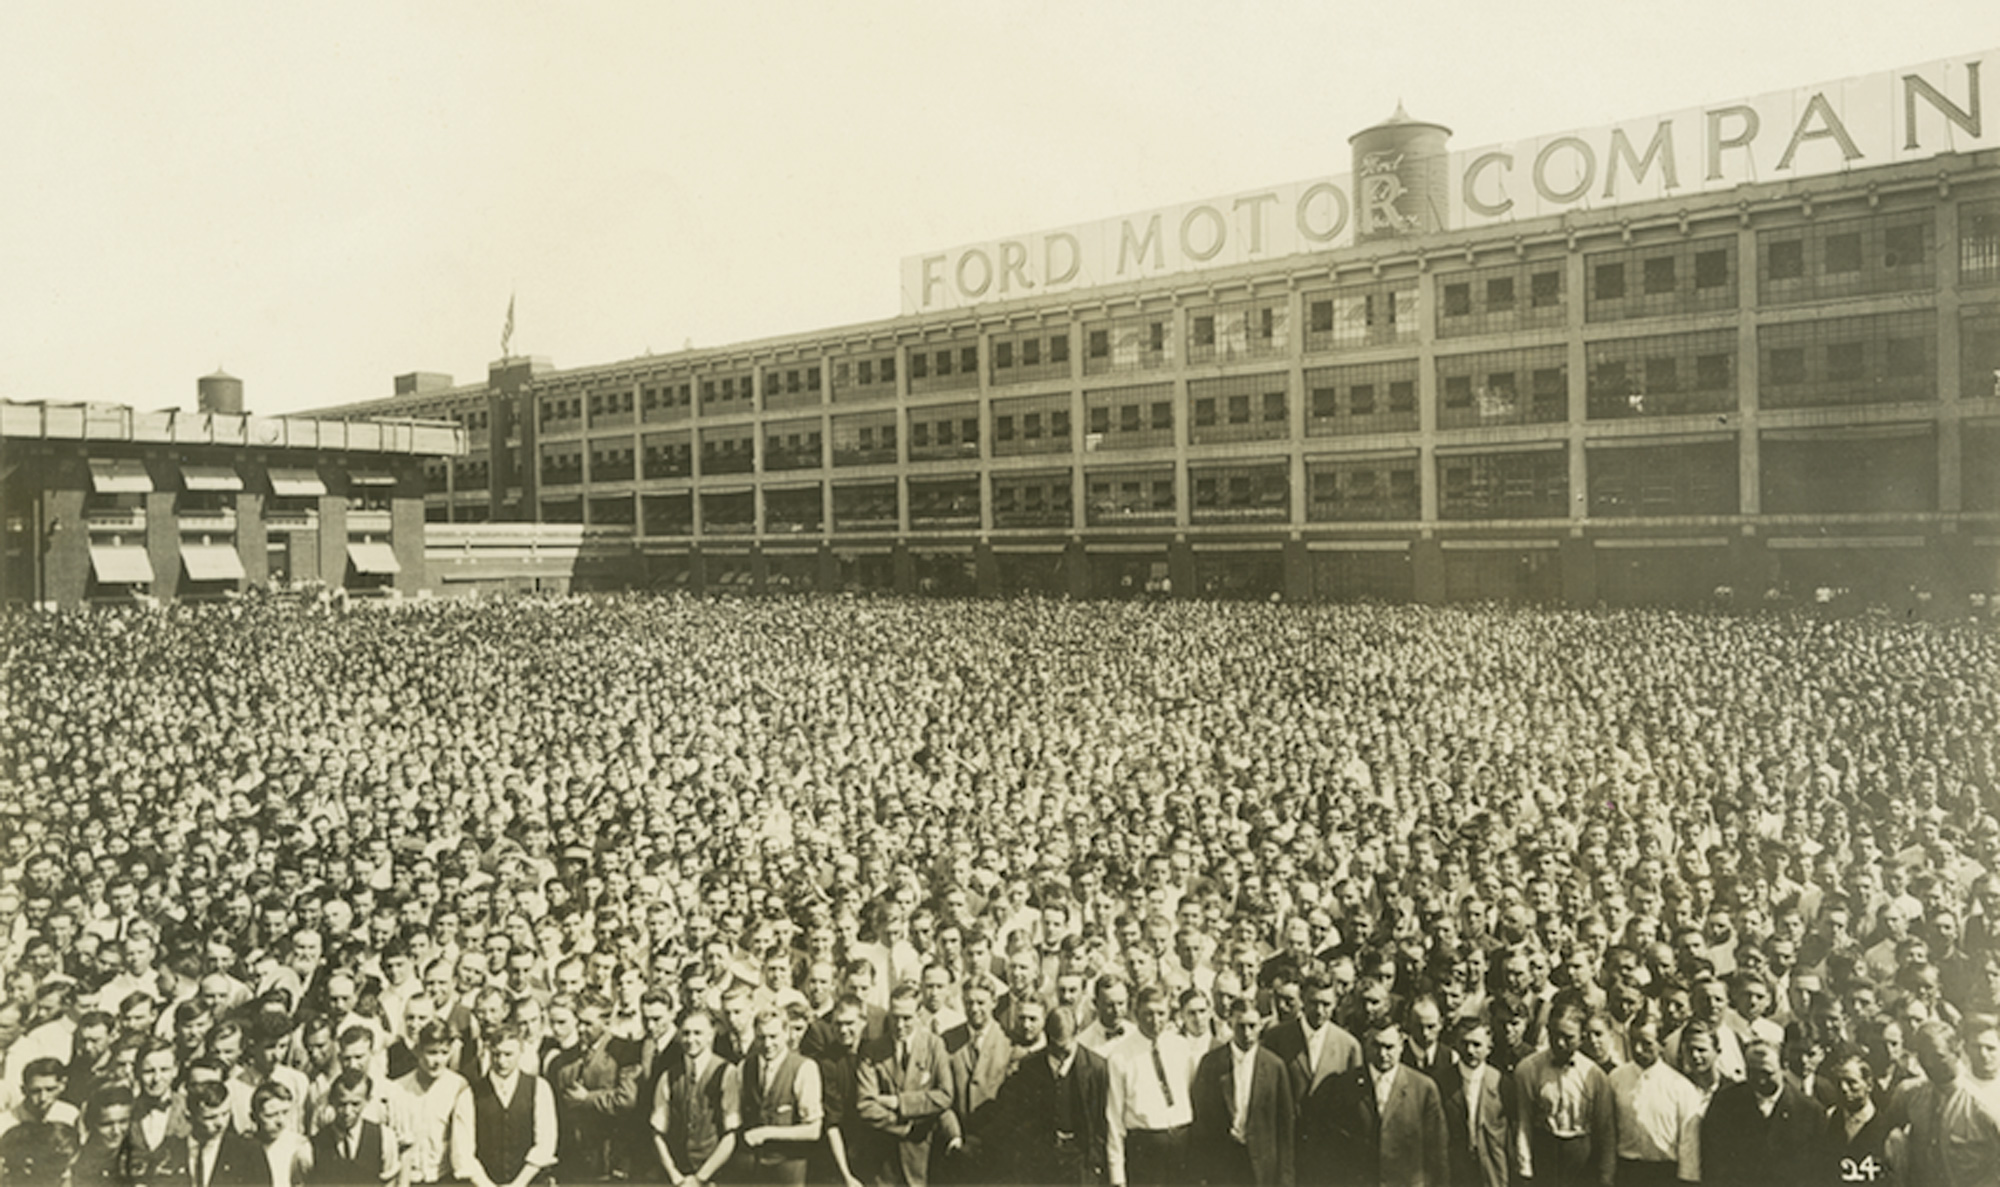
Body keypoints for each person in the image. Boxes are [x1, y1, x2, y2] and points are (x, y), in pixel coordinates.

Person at [1311, 1017, 1446, 1187]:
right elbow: (1332, 1148)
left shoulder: (1423, 1088)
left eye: (1389, 1047)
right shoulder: (1344, 1085)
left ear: (1401, 1046)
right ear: (1366, 1043)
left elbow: (1437, 1153)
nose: (1382, 1054)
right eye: (1376, 1045)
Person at [991, 1005, 1110, 1186]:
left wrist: (1095, 1159)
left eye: (1065, 1049)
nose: (1060, 1056)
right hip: (1042, 1161)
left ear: (1076, 1035)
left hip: (1081, 1162)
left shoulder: (1096, 1067)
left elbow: (1102, 1120)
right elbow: (1018, 1115)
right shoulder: (1030, 1067)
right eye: (1055, 1048)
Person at [1188, 997, 1293, 1187]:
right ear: (1229, 1024)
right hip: (1223, 1164)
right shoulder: (1211, 1064)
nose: (1247, 1033)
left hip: (1262, 1167)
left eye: (1252, 1026)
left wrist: (1285, 1178)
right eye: (1240, 1026)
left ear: (1261, 1025)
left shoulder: (1274, 1066)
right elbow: (1201, 1121)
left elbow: (1284, 1126)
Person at [856, 983, 952, 1187]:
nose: (899, 1025)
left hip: (922, 1157)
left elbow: (944, 1095)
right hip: (883, 1161)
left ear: (919, 1014)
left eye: (906, 1018)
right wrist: (906, 1127)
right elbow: (865, 1105)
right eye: (895, 1017)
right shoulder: (872, 1051)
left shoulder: (934, 1045)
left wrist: (898, 1102)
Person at [1512, 1000, 1615, 1187]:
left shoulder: (1595, 1075)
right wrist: (1524, 1169)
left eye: (1568, 1037)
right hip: (1544, 1153)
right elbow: (1523, 1122)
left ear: (1582, 1037)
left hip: (1581, 1158)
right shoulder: (1528, 1069)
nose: (1560, 1043)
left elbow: (1605, 1131)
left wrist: (1605, 1176)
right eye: (1554, 1035)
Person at [1105, 985, 1198, 1187]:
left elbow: (1192, 1095)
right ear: (1136, 1013)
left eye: (1161, 1013)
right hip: (1145, 1151)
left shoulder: (1181, 1047)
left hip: (1182, 1148)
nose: (1155, 1021)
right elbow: (1114, 1119)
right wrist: (1117, 1176)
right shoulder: (1119, 1056)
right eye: (1148, 1014)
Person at [1697, 1039, 1820, 1187]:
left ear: (1783, 1066)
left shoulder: (1809, 1111)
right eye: (1752, 1072)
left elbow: (1815, 1172)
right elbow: (1713, 1161)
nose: (1760, 1080)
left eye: (1767, 1073)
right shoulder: (1725, 1102)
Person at [725, 1007, 823, 1187]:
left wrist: (768, 1133)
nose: (767, 1044)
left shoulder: (804, 1068)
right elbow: (734, 1118)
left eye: (773, 1036)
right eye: (762, 1037)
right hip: (750, 1168)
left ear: (786, 1033)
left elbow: (813, 1130)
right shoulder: (744, 1067)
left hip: (787, 1169)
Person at [1897, 1021, 2000, 1187]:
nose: (1929, 1064)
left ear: (1957, 1052)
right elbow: (1883, 1133)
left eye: (1939, 1056)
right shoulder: (1910, 1094)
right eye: (1923, 1056)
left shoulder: (1982, 1105)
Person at [1606, 1016, 1703, 1186]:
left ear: (1661, 1045)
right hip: (1627, 1171)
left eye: (1647, 1043)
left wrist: (1687, 1179)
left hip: (1664, 1174)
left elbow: (1689, 1141)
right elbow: (1609, 1129)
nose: (1637, 1049)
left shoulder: (1680, 1086)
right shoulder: (1616, 1078)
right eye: (1633, 1041)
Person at [648, 1007, 733, 1187]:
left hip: (714, 1175)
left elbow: (731, 1135)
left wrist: (700, 1178)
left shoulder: (726, 1072)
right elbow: (658, 1132)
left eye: (698, 1033)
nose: (691, 1039)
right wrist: (674, 1174)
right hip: (678, 1176)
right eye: (686, 1033)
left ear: (711, 1035)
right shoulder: (668, 1076)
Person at [467, 1024, 557, 1187]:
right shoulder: (471, 1092)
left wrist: (518, 1184)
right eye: (496, 1054)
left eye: (508, 1054)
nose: (501, 1061)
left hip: (530, 1182)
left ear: (521, 1051)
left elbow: (545, 1143)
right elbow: (464, 1150)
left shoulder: (538, 1088)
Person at [385, 1020, 474, 1186]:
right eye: (432, 1052)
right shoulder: (398, 1089)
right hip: (408, 1179)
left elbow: (463, 1147)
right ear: (418, 1051)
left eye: (444, 1052)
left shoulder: (458, 1087)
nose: (438, 1060)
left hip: (444, 1178)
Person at [1435, 1017, 1514, 1187]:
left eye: (1477, 1044)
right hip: (1455, 1169)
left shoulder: (1502, 1083)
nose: (1470, 1050)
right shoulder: (1442, 1082)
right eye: (1464, 1043)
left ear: (1489, 1047)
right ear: (1456, 1044)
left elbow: (1511, 1133)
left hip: (1492, 1168)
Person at [306, 1070, 400, 1187]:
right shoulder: (312, 1147)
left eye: (355, 1104)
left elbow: (389, 1181)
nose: (347, 1112)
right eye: (342, 1104)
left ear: (367, 1100)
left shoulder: (384, 1138)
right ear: (332, 1101)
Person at [181, 1078, 274, 1186]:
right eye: (210, 1117)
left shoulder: (248, 1151)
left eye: (225, 1114)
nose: (220, 1123)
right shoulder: (169, 1152)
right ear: (189, 1117)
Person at [0, 1057, 79, 1183]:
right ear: (23, 1090)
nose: (43, 1098)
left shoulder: (70, 1115)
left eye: (50, 1089)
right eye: (35, 1091)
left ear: (62, 1086)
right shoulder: (5, 1123)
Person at [1816, 1054, 1891, 1187]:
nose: (1844, 1088)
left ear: (1869, 1085)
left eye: (1851, 1082)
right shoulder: (1827, 1121)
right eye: (1839, 1083)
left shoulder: (1887, 1131)